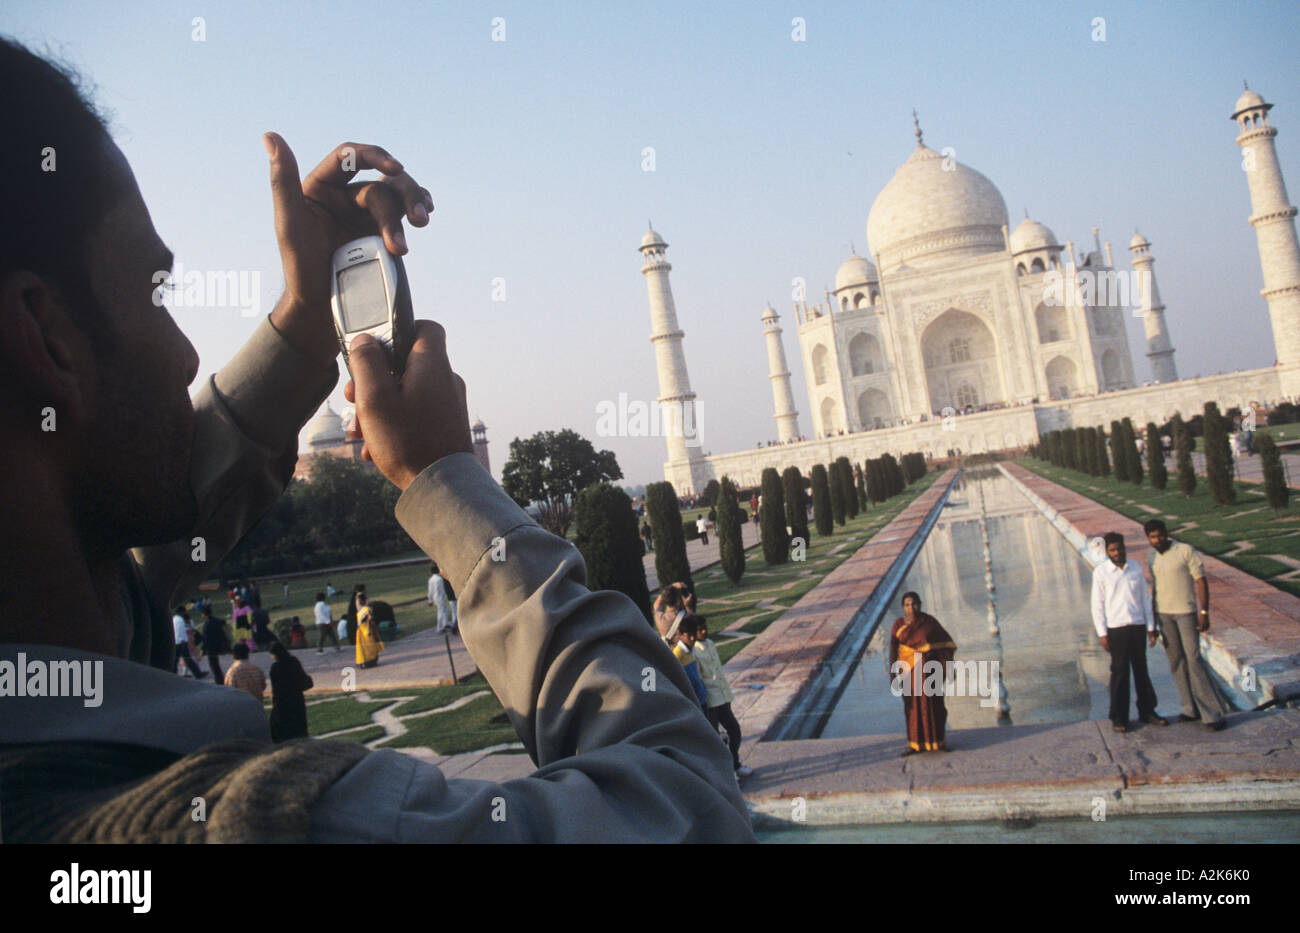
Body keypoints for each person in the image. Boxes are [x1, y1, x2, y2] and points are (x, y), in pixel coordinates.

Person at [0, 37, 750, 843]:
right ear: (45, 335)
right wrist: (448, 484)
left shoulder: (68, 642)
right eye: (155, 292)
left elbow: (123, 550)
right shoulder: (267, 824)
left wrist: (302, 320)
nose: (186, 352)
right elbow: (687, 798)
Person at [1144, 520, 1227, 731]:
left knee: (1194, 659)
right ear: (1149, 539)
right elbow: (1155, 588)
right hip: (1164, 615)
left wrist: (1204, 611)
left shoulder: (1185, 550)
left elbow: (1200, 581)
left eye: (1160, 535)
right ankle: (1189, 708)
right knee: (1176, 662)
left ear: (1166, 533)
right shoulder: (1151, 556)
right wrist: (1152, 622)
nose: (1157, 540)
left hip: (1186, 613)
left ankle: (1213, 714)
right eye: (1153, 537)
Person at [1090, 532, 1168, 733]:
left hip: (1137, 626)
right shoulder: (1101, 573)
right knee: (1120, 673)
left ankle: (1148, 711)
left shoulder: (1135, 568)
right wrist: (1102, 633)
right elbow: (1097, 606)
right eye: (1112, 550)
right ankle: (1119, 717)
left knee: (1141, 671)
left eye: (1119, 549)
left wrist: (1151, 627)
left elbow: (1145, 599)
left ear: (1124, 548)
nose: (1117, 553)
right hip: (1116, 629)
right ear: (1107, 551)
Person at [888, 592, 955, 755]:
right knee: (912, 709)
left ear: (920, 604)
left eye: (914, 604)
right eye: (907, 605)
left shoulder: (929, 622)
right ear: (903, 607)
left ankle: (939, 741)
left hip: (929, 672)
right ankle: (914, 744)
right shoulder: (898, 624)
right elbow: (892, 649)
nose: (911, 608)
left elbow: (945, 645)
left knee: (935, 706)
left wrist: (949, 668)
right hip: (908, 672)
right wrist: (893, 672)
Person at [694, 617, 752, 778]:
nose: (704, 631)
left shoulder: (710, 644)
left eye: (704, 627)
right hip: (710, 701)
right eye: (700, 629)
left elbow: (718, 672)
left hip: (722, 696)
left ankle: (736, 764)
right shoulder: (694, 652)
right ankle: (725, 773)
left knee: (734, 730)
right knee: (716, 739)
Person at [268, 641, 314, 743]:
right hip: (297, 700)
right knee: (299, 730)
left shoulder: (275, 668)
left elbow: (276, 690)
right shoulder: (294, 661)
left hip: (283, 704)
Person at [665, 613, 708, 709]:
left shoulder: (692, 650)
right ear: (680, 634)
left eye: (694, 634)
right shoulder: (677, 656)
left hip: (702, 701)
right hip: (693, 706)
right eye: (689, 635)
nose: (693, 638)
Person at [172, 606, 206, 678]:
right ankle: (198, 674)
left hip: (176, 642)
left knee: (176, 660)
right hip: (182, 642)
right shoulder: (180, 620)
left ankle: (173, 674)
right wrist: (184, 640)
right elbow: (181, 631)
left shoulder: (174, 619)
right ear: (181, 612)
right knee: (188, 659)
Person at [200, 604, 227, 686]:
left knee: (213, 665)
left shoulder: (206, 624)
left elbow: (205, 638)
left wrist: (202, 649)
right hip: (219, 645)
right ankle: (220, 679)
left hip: (211, 647)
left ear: (204, 614)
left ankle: (219, 681)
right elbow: (222, 632)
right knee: (216, 664)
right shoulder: (217, 621)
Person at [354, 593, 384, 669]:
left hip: (363, 632)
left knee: (365, 648)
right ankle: (369, 661)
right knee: (369, 648)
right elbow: (370, 620)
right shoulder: (366, 610)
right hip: (366, 631)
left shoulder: (362, 611)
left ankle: (365, 662)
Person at [428, 562, 457, 634]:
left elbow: (430, 591)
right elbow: (443, 589)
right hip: (440, 597)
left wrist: (430, 600)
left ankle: (445, 624)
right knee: (441, 612)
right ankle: (439, 628)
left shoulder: (431, 579)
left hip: (436, 598)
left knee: (444, 610)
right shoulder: (439, 579)